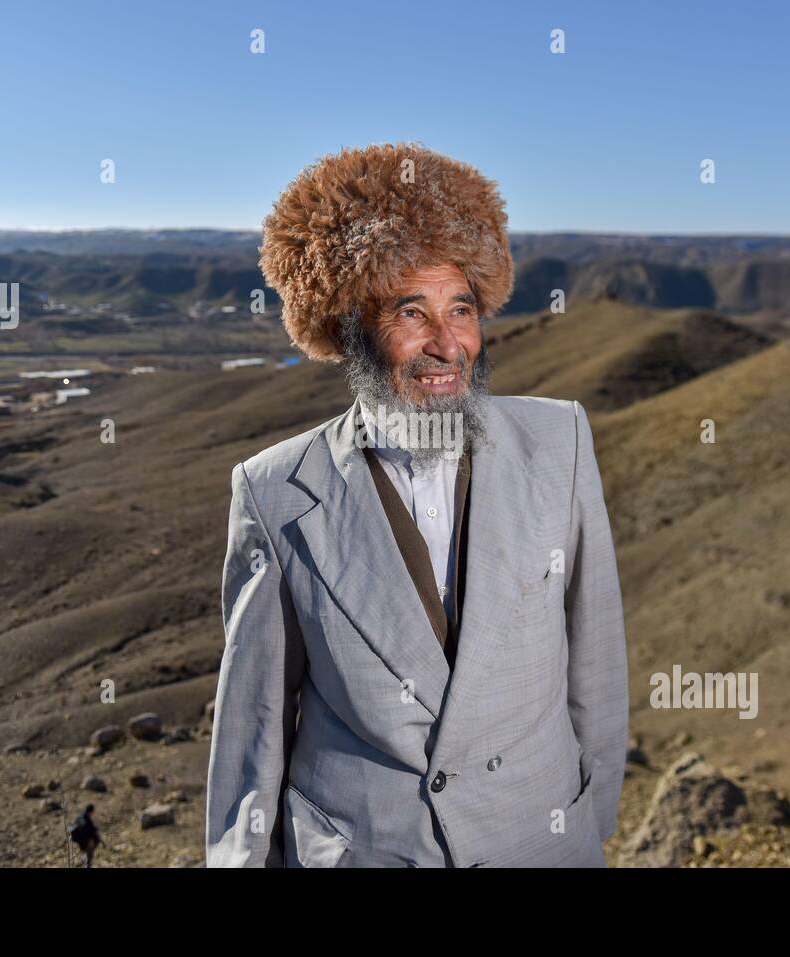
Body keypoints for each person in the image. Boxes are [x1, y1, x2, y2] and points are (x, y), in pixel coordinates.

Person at [205, 142, 629, 867]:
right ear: (348, 329)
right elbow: (256, 724)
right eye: (412, 312)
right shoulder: (272, 491)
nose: (447, 344)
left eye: (460, 309)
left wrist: (593, 817)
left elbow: (595, 655)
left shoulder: (559, 439)